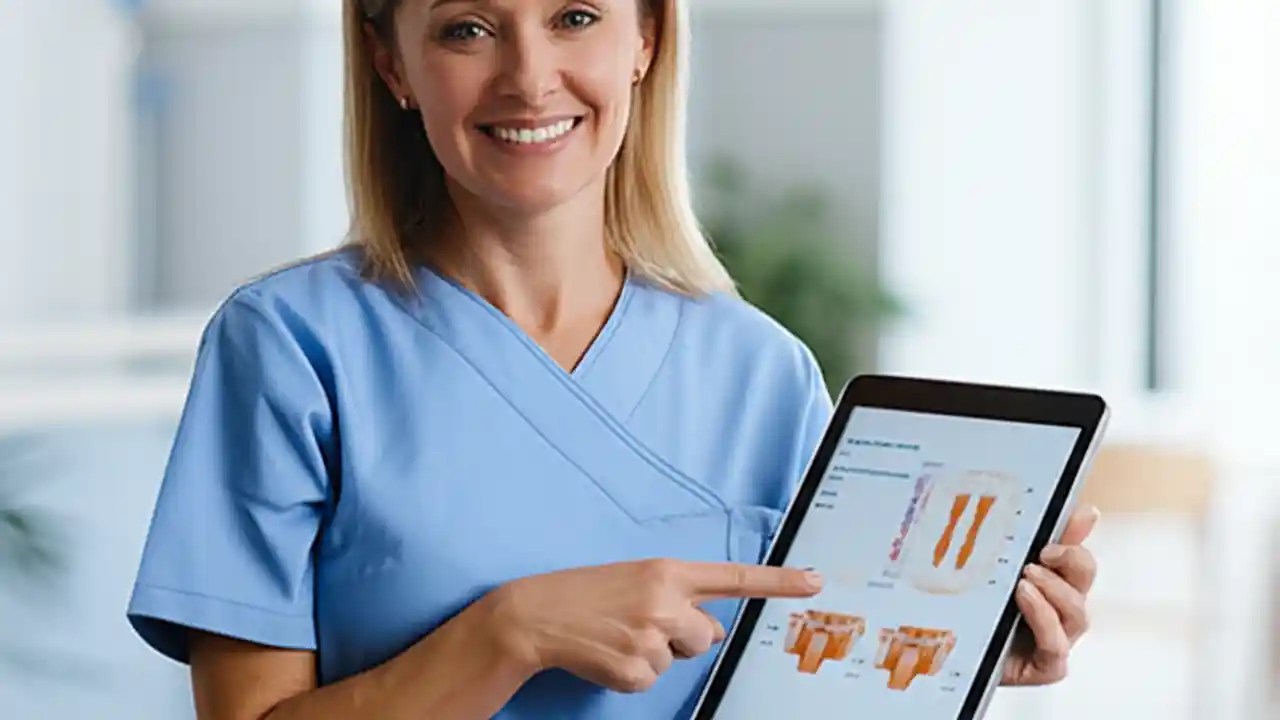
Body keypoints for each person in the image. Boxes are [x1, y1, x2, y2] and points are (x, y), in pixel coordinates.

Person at [125, 0, 1102, 717]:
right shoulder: (291, 349)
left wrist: (944, 664)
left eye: (575, 16)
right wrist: (508, 634)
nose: (528, 77)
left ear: (646, 38)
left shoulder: (763, 374)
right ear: (390, 62)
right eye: (468, 27)